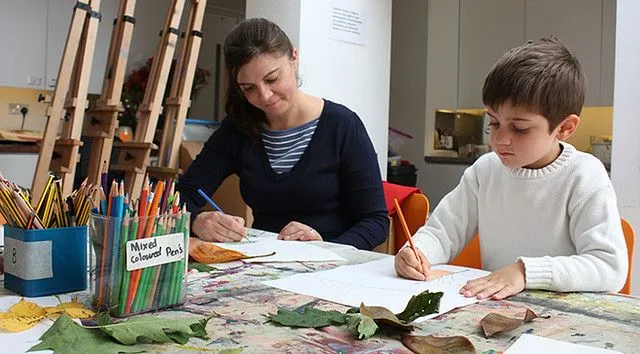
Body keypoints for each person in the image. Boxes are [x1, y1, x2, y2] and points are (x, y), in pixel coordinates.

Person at [395, 37, 628, 299]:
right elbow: (443, 232)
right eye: (493, 123)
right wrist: (417, 252)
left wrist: (524, 272)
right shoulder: (485, 171)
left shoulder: (584, 175)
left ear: (565, 128)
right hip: (495, 312)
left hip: (559, 320)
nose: (499, 139)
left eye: (519, 128)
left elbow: (609, 267)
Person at [177, 18, 389, 250]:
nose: (265, 96)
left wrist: (326, 248)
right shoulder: (237, 130)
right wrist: (196, 220)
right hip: (263, 266)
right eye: (248, 88)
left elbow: (376, 222)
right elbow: (180, 197)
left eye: (272, 79)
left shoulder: (343, 125)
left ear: (293, 59)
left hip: (332, 271)